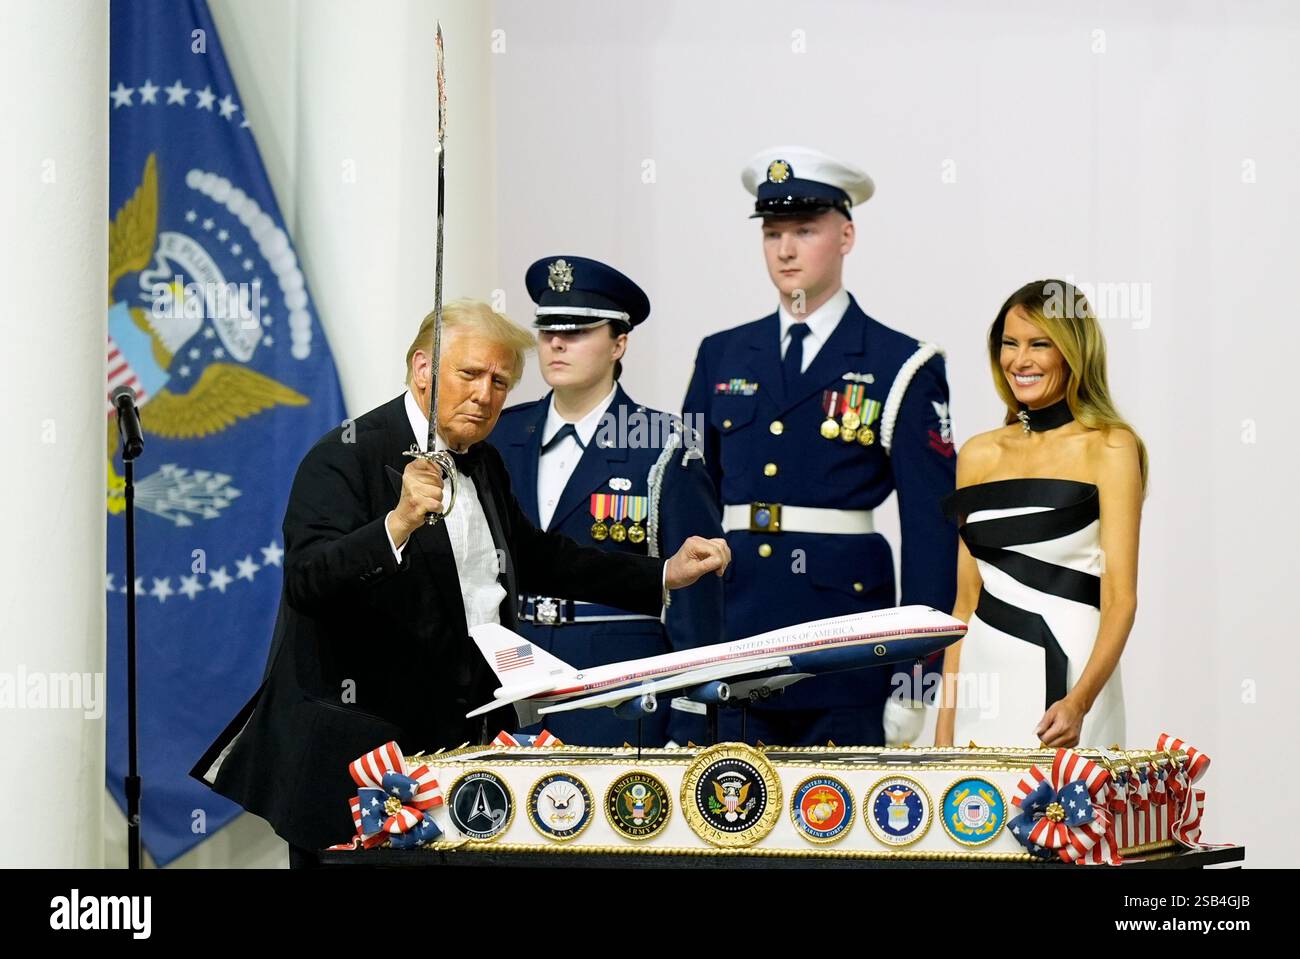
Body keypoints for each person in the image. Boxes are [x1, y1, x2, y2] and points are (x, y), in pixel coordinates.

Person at [190, 299, 731, 864]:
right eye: (469, 374)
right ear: (422, 369)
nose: (486, 394)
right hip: (360, 761)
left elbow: (539, 556)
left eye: (500, 381)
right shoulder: (343, 456)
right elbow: (309, 580)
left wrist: (663, 573)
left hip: (464, 751)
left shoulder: (484, 461)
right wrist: (394, 525)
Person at [683, 146, 957, 747]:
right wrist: (684, 654)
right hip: (735, 642)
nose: (785, 250)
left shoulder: (901, 363)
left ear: (846, 235)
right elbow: (689, 502)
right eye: (773, 233)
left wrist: (916, 683)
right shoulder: (721, 355)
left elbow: (933, 538)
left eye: (805, 230)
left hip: (847, 650)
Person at [493, 255, 723, 746]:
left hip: (618, 687)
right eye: (547, 329)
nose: (556, 342)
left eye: (576, 331)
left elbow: (694, 595)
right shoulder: (502, 434)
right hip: (510, 677)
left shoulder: (664, 441)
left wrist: (690, 719)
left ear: (619, 342)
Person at [935, 280, 1145, 749]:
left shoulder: (1111, 447)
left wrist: (1079, 703)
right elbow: (964, 604)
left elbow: (1120, 600)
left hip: (1072, 681)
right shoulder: (977, 454)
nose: (1019, 360)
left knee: (1063, 823)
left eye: (1039, 344)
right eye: (1009, 344)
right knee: (970, 819)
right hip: (982, 681)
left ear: (1073, 351)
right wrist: (944, 730)